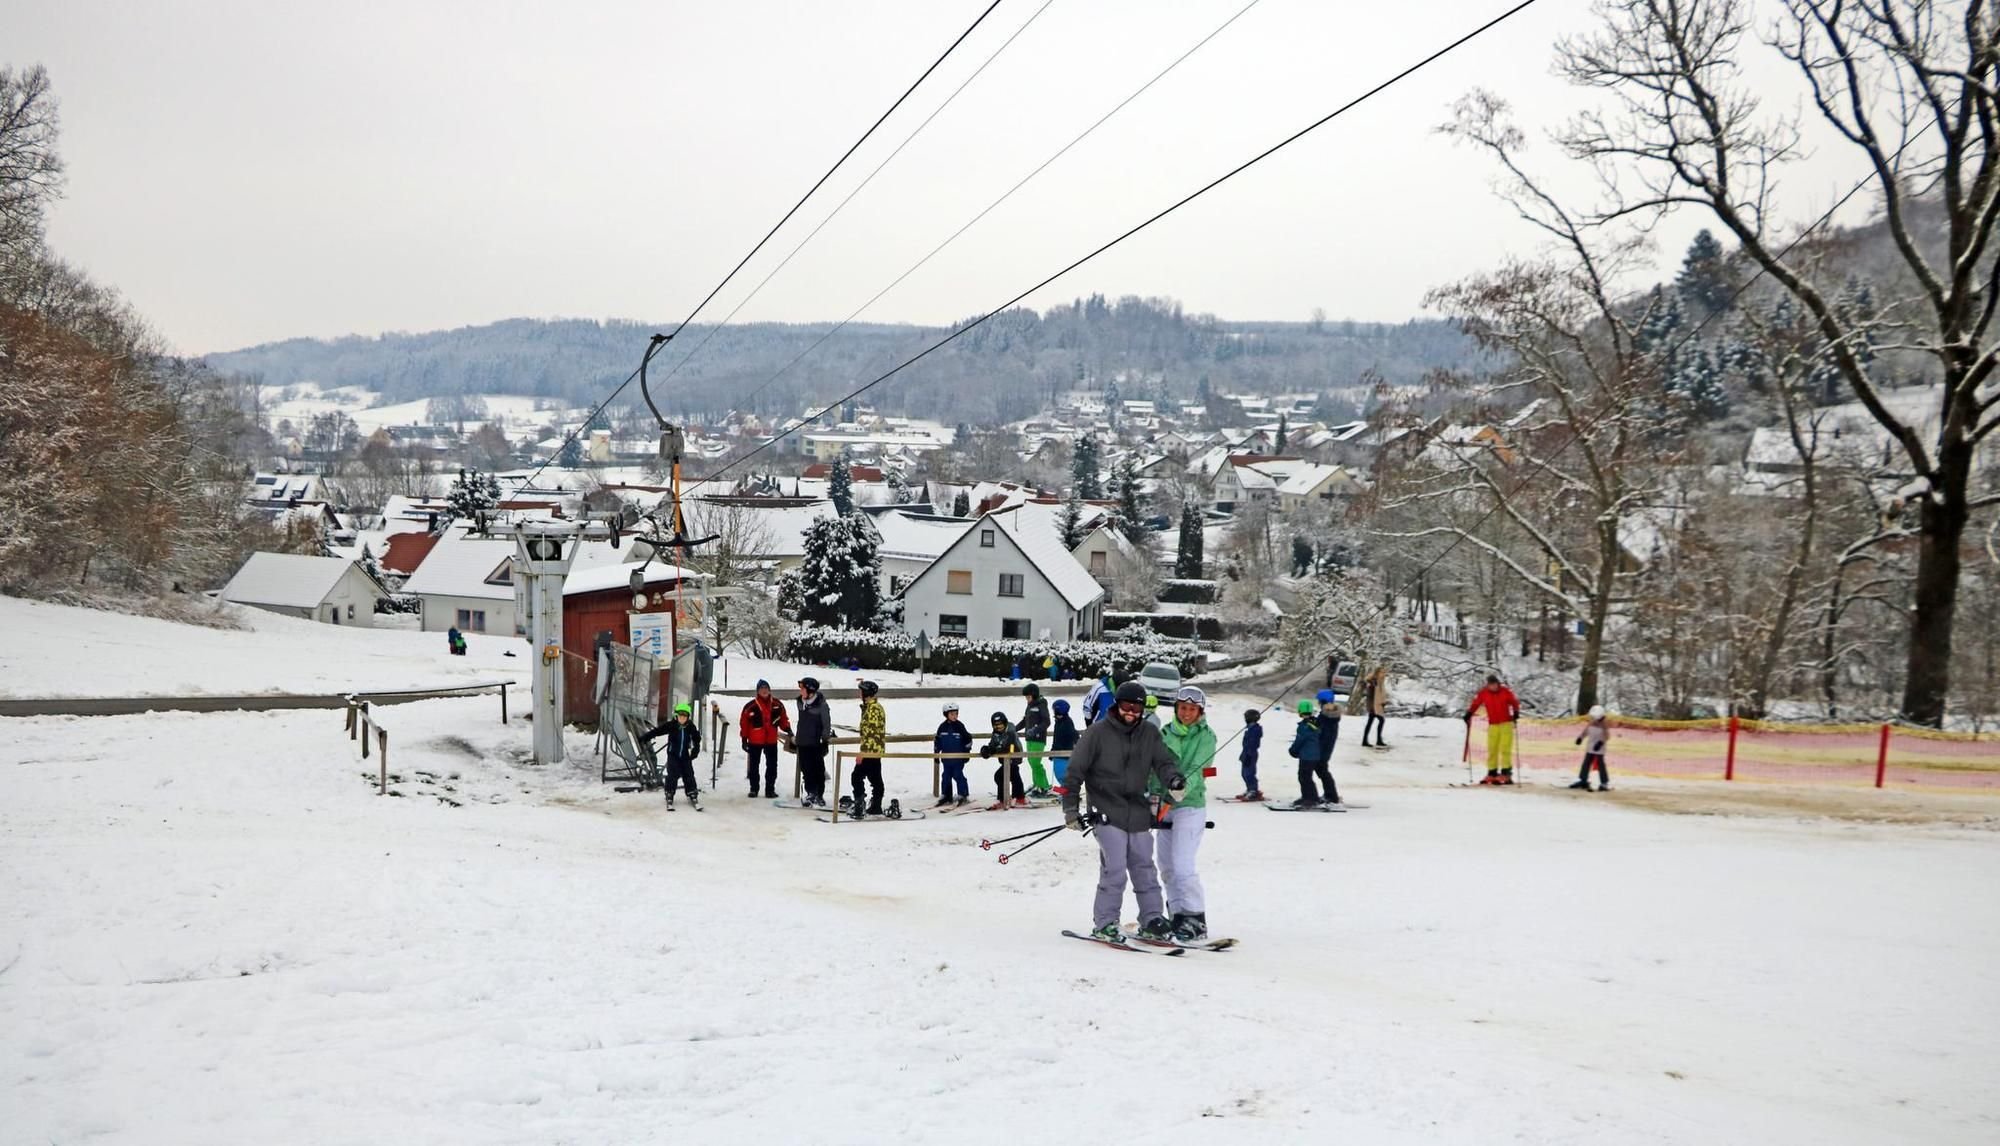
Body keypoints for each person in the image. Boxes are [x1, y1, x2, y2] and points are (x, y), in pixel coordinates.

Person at [1061, 681, 1185, 944]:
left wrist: (1174, 780)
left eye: (1137, 707)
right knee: (1115, 868)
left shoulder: (1149, 733)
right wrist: (1070, 809)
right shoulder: (1096, 734)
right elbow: (1074, 772)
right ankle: (1105, 922)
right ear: (1117, 705)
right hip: (1106, 811)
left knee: (1144, 867)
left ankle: (1152, 918)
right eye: (1126, 706)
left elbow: (1164, 762)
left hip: (1138, 812)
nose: (1131, 712)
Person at [1154, 685, 1216, 940]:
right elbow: (1154, 764)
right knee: (1166, 866)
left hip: (1189, 805)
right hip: (1164, 806)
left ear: (1199, 711)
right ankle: (1177, 913)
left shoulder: (1206, 736)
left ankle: (1195, 917)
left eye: (1191, 709)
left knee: (1182, 864)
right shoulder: (1165, 733)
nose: (1186, 713)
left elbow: (1197, 766)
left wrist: (1180, 787)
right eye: (1182, 708)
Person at [641, 701, 703, 810]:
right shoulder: (672, 725)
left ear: (688, 717)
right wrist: (647, 736)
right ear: (676, 716)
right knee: (672, 775)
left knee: (689, 774)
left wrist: (695, 750)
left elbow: (696, 739)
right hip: (673, 755)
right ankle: (669, 793)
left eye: (685, 716)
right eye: (680, 716)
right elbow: (658, 731)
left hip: (685, 756)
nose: (682, 718)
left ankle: (692, 793)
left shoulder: (691, 727)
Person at [1464, 674, 1522, 785]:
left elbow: (1514, 702)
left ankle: (1506, 772)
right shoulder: (1484, 693)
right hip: (1493, 724)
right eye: (1490, 685)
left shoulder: (1505, 691)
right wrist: (1469, 713)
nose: (1493, 687)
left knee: (1505, 748)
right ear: (1488, 685)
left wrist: (1516, 712)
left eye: (1494, 684)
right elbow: (1476, 703)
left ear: (1497, 683)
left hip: (1506, 723)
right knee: (1492, 748)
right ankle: (1492, 772)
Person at [739, 679, 792, 798]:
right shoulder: (750, 706)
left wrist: (788, 729)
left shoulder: (777, 704)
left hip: (771, 740)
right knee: (754, 766)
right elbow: (744, 723)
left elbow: (783, 719)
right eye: (761, 689)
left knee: (772, 765)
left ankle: (770, 789)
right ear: (758, 691)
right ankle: (754, 789)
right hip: (755, 741)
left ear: (769, 690)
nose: (764, 691)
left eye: (766, 688)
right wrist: (744, 739)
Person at [850, 680, 887, 818]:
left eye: (861, 691)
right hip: (874, 750)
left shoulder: (873, 709)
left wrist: (863, 753)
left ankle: (860, 805)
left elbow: (870, 733)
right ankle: (876, 805)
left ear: (866, 693)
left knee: (856, 776)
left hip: (871, 750)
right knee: (875, 777)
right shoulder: (871, 707)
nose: (859, 693)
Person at [794, 677, 833, 806]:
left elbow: (826, 724)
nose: (800, 691)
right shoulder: (800, 702)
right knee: (806, 769)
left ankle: (819, 794)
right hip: (802, 741)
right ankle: (810, 792)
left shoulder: (821, 705)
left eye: (803, 688)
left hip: (816, 743)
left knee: (818, 770)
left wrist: (825, 740)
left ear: (810, 690)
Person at [979, 712, 1027, 809]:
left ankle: (1015, 797)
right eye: (996, 725)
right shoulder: (996, 734)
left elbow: (1005, 745)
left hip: (1014, 756)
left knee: (1007, 775)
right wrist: (987, 750)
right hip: (1005, 759)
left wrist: (993, 750)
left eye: (1000, 724)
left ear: (1005, 723)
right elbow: (993, 744)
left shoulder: (1010, 732)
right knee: (1006, 776)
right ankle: (1015, 797)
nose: (998, 727)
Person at [1287, 700, 1328, 807]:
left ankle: (1311, 798)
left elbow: (1301, 740)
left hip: (1307, 756)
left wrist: (1293, 750)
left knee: (1304, 777)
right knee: (1305, 776)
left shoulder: (1305, 726)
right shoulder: (1315, 723)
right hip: (1313, 755)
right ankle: (1307, 796)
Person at [934, 703, 973, 807]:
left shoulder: (960, 726)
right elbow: (937, 741)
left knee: (958, 775)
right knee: (945, 776)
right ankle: (946, 795)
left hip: (958, 758)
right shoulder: (942, 727)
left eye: (956, 714)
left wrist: (966, 753)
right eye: (952, 714)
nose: (954, 716)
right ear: (946, 715)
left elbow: (968, 739)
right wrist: (936, 754)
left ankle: (963, 794)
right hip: (946, 758)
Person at [1018, 683, 1052, 797]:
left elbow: (1046, 722)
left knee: (1036, 763)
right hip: (1029, 739)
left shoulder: (1041, 705)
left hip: (1038, 739)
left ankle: (1044, 786)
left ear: (1034, 695)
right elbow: (1025, 721)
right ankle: (1037, 784)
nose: (1027, 700)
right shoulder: (1029, 706)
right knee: (1031, 762)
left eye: (1028, 697)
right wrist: (1014, 729)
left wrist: (1036, 730)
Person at [1572, 705, 1611, 791]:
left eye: (1594, 716)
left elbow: (1607, 736)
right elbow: (1586, 731)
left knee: (1601, 765)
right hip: (1590, 747)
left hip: (1599, 749)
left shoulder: (1604, 724)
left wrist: (1600, 743)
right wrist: (1580, 738)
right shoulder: (1591, 722)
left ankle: (1604, 783)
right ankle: (1583, 780)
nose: (1593, 718)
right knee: (1586, 764)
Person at [1314, 689, 1343, 802]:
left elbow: (1322, 733)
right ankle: (1330, 794)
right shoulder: (1331, 715)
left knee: (1322, 770)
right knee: (1322, 770)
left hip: (1323, 748)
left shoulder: (1325, 717)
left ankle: (1331, 795)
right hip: (1326, 747)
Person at [1049, 698, 1079, 788]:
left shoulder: (1067, 723)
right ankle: (1065, 793)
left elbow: (1074, 735)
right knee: (1059, 775)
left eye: (1054, 710)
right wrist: (1052, 751)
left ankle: (1068, 794)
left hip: (1064, 755)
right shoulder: (1059, 722)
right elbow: (1056, 738)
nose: (1053, 712)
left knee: (1062, 775)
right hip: (1057, 753)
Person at [1360, 667, 1390, 749]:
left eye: (1384, 672)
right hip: (1374, 705)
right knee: (1380, 720)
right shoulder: (1373, 682)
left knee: (1371, 722)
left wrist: (1383, 702)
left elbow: (1381, 693)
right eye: (1382, 672)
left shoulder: (1380, 682)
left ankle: (1366, 740)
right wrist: (1372, 707)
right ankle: (1376, 740)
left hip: (1378, 705)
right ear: (1377, 673)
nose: (1383, 674)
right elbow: (1370, 696)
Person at [1238, 708, 1264, 801]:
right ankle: (1249, 788)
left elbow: (1253, 743)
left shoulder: (1255, 729)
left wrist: (1249, 754)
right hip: (1245, 752)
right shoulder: (1250, 728)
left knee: (1249, 773)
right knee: (1244, 773)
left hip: (1251, 753)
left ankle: (1253, 790)